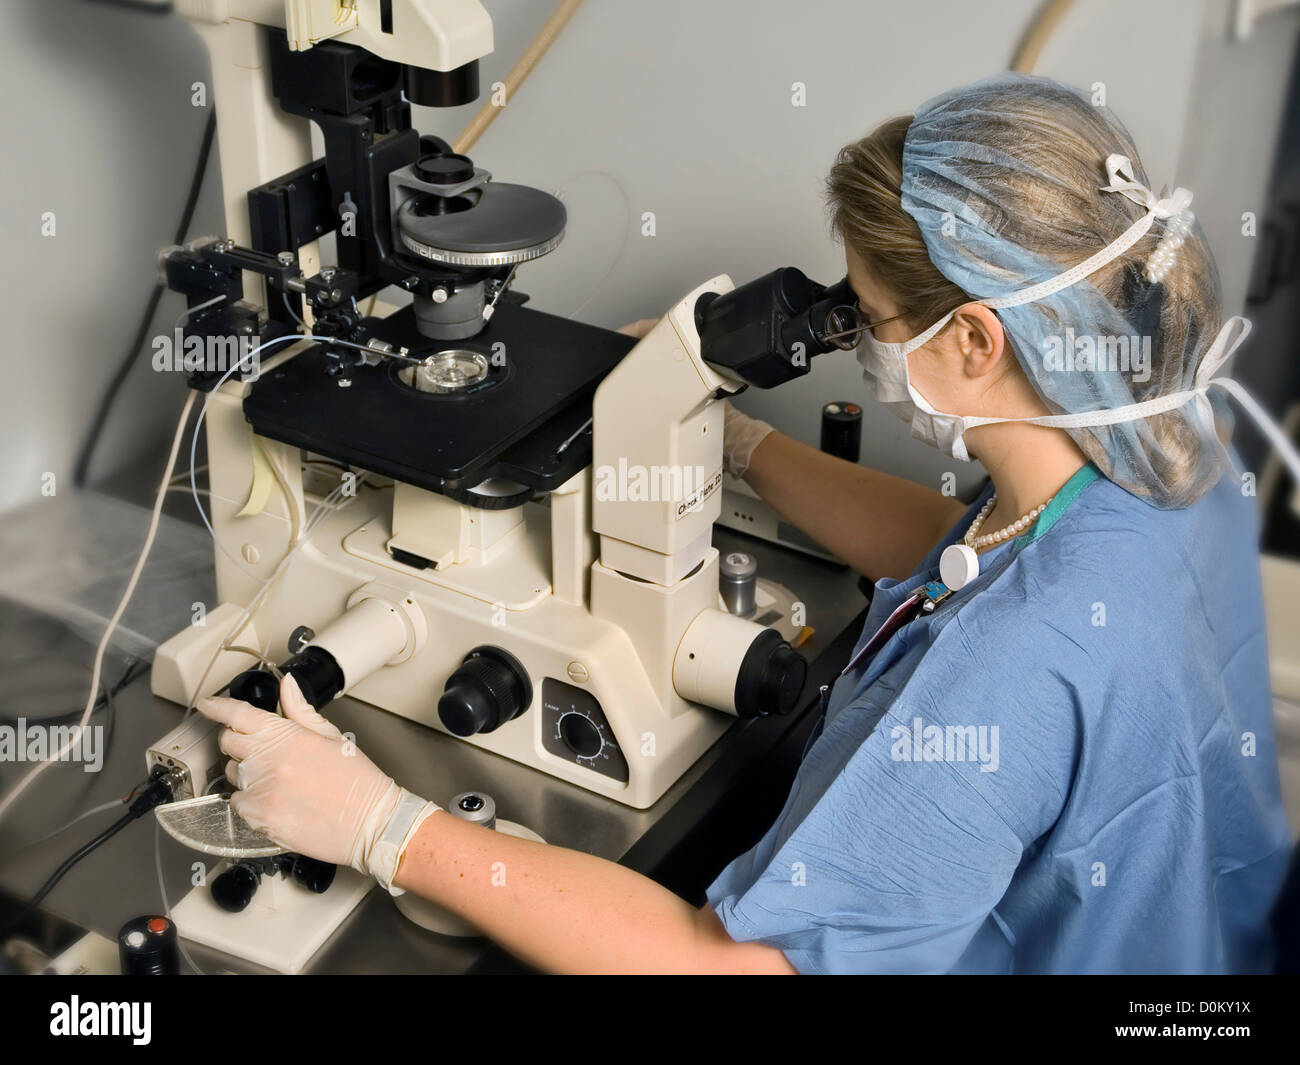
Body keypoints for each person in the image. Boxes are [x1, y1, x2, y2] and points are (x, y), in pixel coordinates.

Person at [197, 73, 1295, 974]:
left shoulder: (1010, 670)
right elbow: (966, 550)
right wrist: (743, 447)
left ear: (974, 341)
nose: (857, 340)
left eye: (865, 318)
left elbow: (732, 972)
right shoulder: (1161, 447)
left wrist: (386, 828)